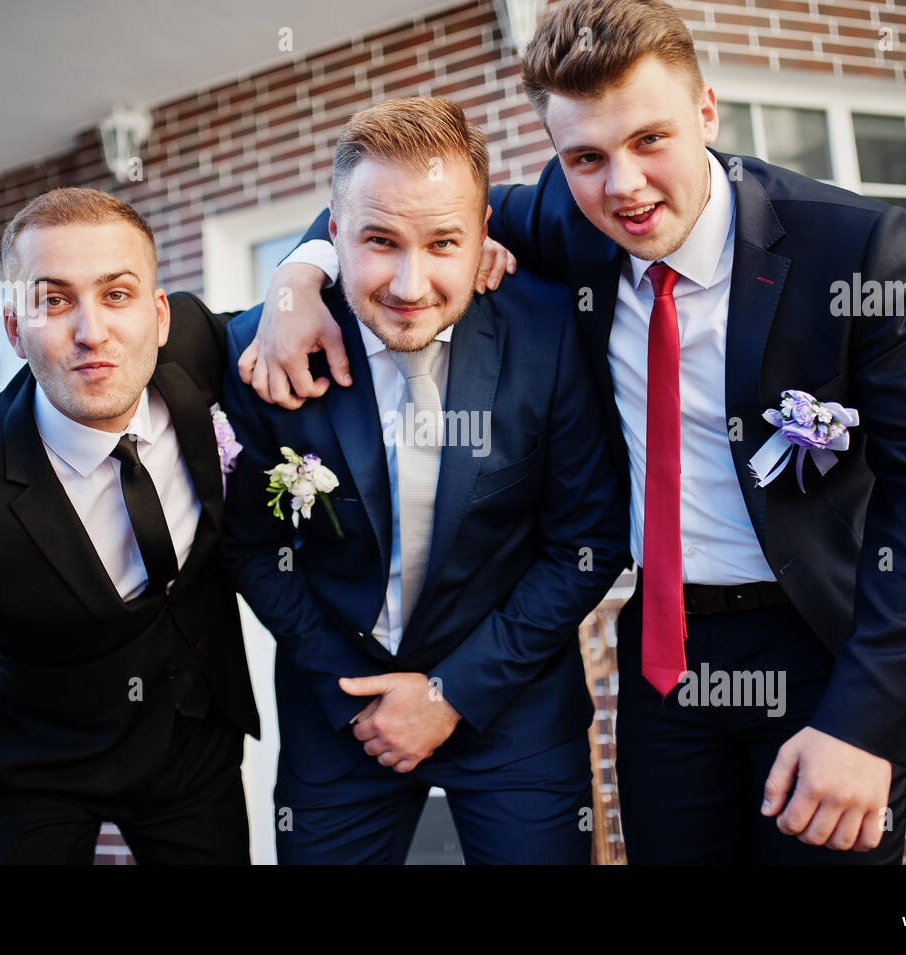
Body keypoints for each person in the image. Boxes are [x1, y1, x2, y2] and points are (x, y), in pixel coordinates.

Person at [239, 0, 906, 864]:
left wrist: (865, 722)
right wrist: (298, 280)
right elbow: (389, 200)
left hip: (830, 641)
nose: (623, 186)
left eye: (650, 141)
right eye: (586, 156)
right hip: (667, 658)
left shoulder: (853, 250)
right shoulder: (567, 217)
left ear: (706, 111)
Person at [220, 97, 629, 864]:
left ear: (484, 241)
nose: (411, 283)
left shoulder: (549, 331)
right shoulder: (262, 350)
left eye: (443, 242)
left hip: (512, 698)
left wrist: (451, 694)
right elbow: (249, 547)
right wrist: (350, 689)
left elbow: (587, 543)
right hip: (340, 705)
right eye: (380, 241)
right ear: (335, 235)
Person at [0, 187, 259, 864]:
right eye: (54, 300)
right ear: (13, 329)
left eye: (116, 294)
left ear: (157, 316)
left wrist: (310, 263)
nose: (91, 331)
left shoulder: (197, 348)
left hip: (192, 742)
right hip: (37, 766)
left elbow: (332, 288)